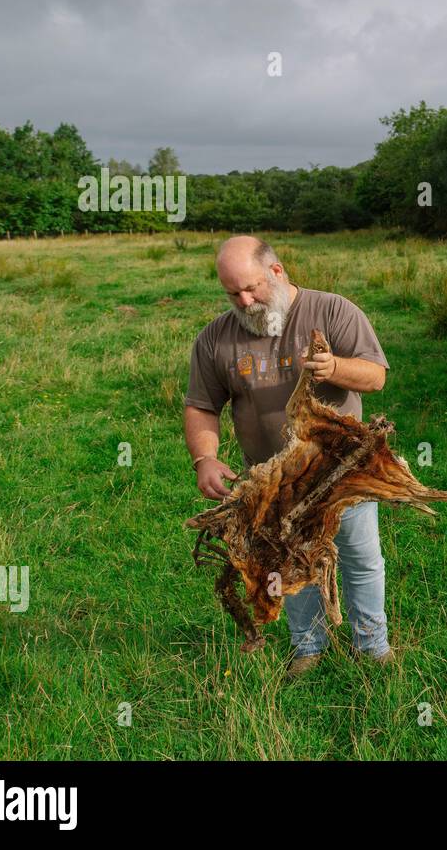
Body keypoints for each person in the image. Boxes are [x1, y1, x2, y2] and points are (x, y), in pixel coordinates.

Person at [182, 235, 393, 678]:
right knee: (286, 561)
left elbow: (375, 376)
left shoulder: (333, 311)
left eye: (252, 288)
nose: (244, 300)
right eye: (232, 293)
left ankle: (372, 646)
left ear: (277, 271)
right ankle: (308, 647)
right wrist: (205, 458)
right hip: (272, 482)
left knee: (358, 557)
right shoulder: (215, 339)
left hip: (341, 470)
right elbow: (201, 406)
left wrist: (335, 368)